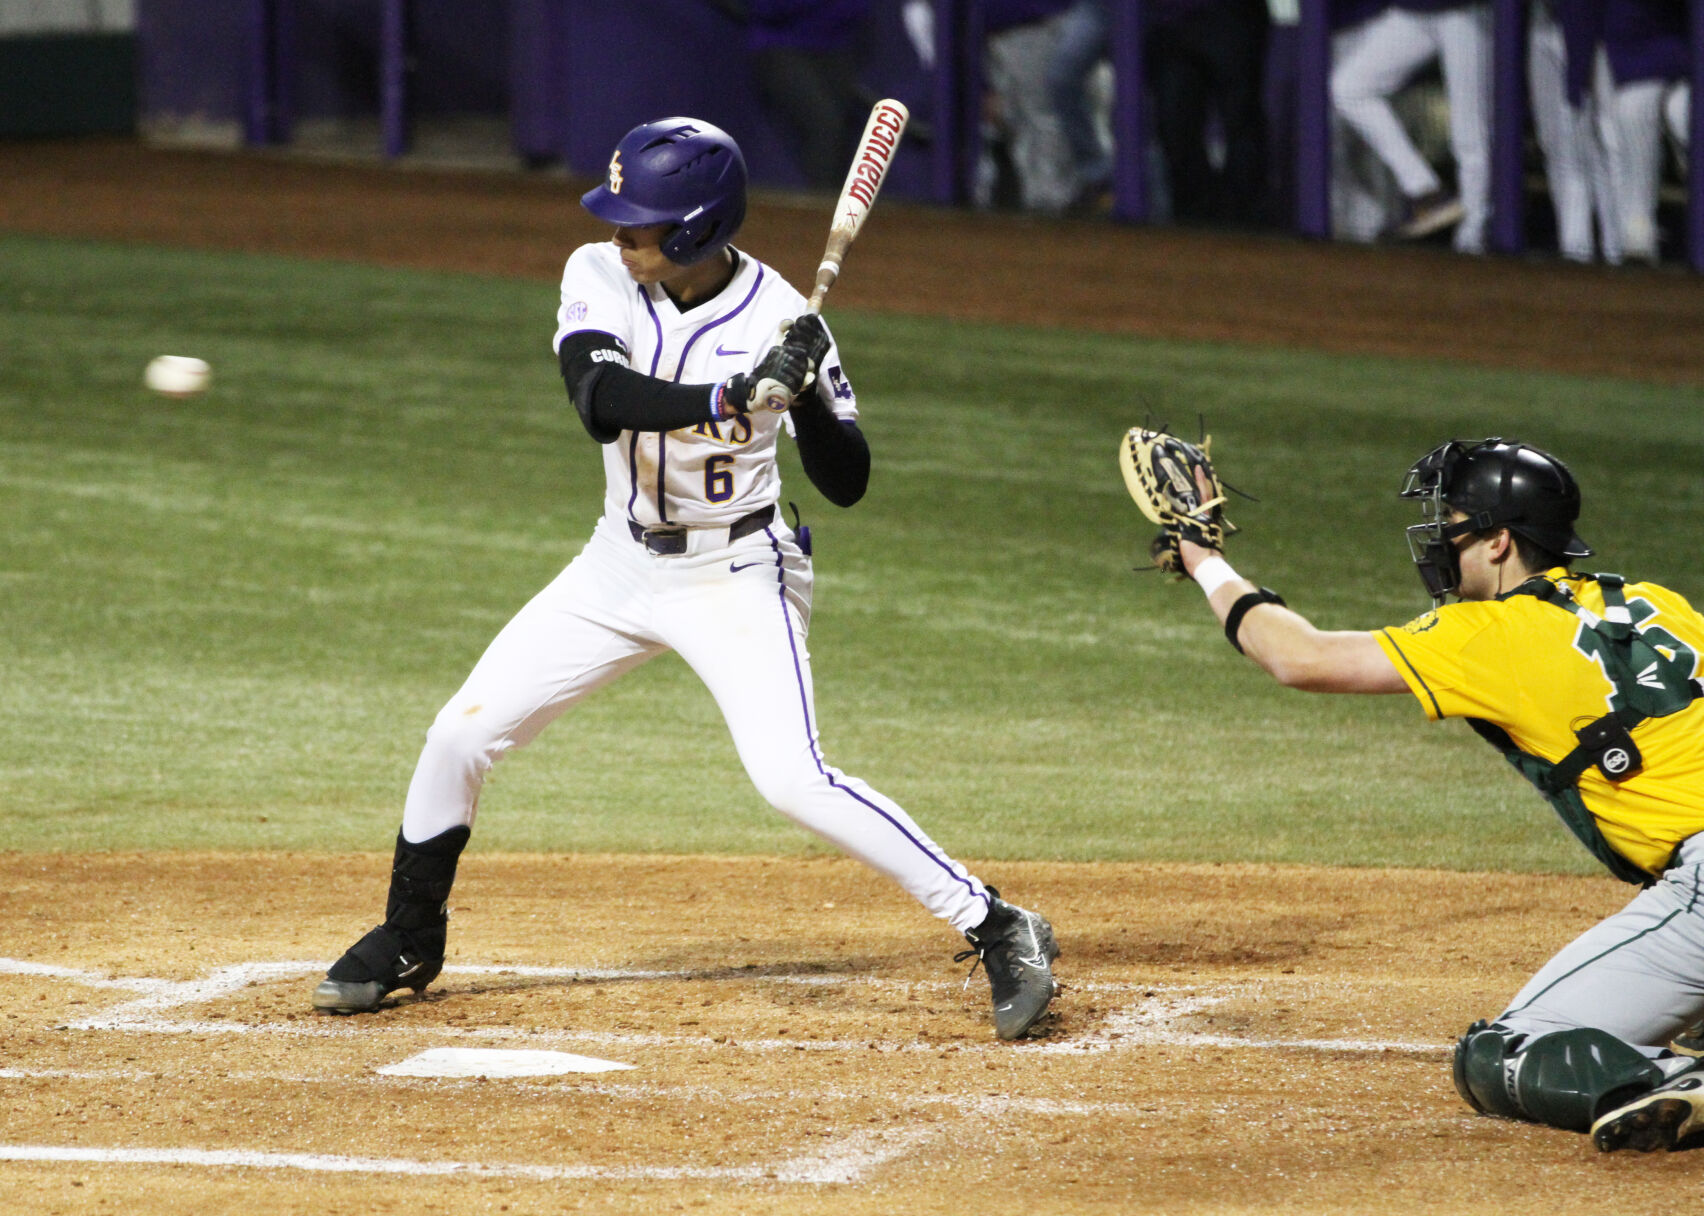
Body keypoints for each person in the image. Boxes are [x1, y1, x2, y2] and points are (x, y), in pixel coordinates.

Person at [311, 117, 1060, 1041]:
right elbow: (598, 399)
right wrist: (731, 397)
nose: (622, 234)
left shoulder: (783, 315)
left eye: (642, 223)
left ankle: (998, 923)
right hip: (617, 566)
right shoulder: (599, 273)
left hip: (737, 573)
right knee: (458, 735)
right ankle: (409, 936)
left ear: (697, 230)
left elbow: (849, 480)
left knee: (792, 779)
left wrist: (813, 395)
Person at [1158, 435, 1704, 1151]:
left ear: (1501, 542)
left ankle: (1681, 1085)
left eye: (1454, 522)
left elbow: (1298, 656)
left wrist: (1204, 558)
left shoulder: (1491, 632)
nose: (1441, 538)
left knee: (1502, 1055)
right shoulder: (1653, 603)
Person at [1330, 0, 1492, 252]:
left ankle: (1473, 240)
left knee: (1470, 134)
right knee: (1349, 87)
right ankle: (1426, 191)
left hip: (1468, 12)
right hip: (1415, 9)